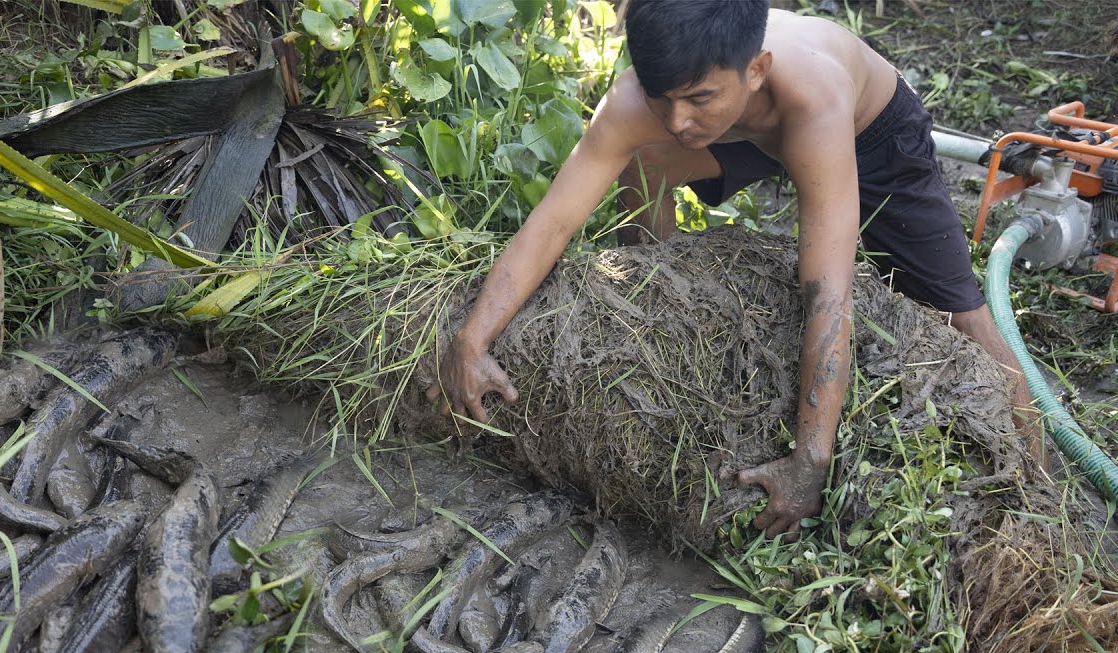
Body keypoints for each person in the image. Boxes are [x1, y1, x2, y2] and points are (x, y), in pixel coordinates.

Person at [426, 0, 1037, 540]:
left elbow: (828, 297)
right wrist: (472, 337)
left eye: (697, 98)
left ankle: (1040, 475)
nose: (676, 122)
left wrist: (810, 461)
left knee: (960, 311)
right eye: (663, 98)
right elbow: (553, 221)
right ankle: (660, 291)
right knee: (647, 162)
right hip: (745, 124)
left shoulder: (815, 101)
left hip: (870, 132)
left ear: (757, 70)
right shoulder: (653, 99)